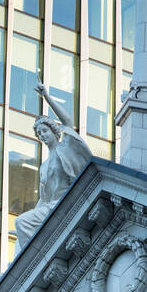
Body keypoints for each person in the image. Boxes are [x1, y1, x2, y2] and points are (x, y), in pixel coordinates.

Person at [14, 83, 92, 253]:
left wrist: (47, 97)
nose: (42, 135)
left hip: (64, 204)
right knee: (20, 228)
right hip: (49, 208)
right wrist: (31, 220)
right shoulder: (44, 166)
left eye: (44, 131)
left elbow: (68, 122)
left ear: (53, 130)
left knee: (21, 222)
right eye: (39, 134)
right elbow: (43, 199)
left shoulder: (65, 148)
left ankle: (36, 258)